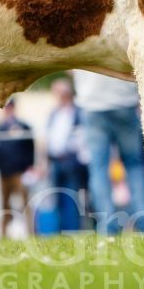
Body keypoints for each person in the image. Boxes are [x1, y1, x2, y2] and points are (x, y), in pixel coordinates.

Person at [73, 71, 144, 234]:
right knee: (134, 165)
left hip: (92, 104)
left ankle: (108, 226)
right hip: (124, 101)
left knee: (98, 168)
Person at [44, 78, 87, 232]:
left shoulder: (78, 111)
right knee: (57, 197)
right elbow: (48, 137)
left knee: (72, 197)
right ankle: (60, 229)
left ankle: (74, 229)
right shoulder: (54, 113)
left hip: (72, 161)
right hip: (55, 160)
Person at [0, 98, 35, 238]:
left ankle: (31, 232)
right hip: (4, 173)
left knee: (25, 203)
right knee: (4, 205)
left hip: (20, 172)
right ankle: (3, 233)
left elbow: (30, 148)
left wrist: (30, 168)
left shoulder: (24, 126)